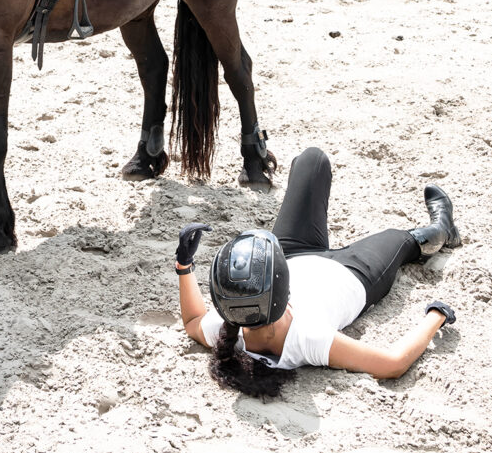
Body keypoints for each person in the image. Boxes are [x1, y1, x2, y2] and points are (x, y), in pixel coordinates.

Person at [174, 147, 461, 397]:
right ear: (281, 297)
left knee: (312, 161)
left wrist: (184, 267)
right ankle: (444, 229)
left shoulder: (231, 325)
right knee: (405, 238)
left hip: (289, 254)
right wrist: (436, 317)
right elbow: (393, 363)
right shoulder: (307, 338)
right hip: (352, 271)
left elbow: (193, 322)